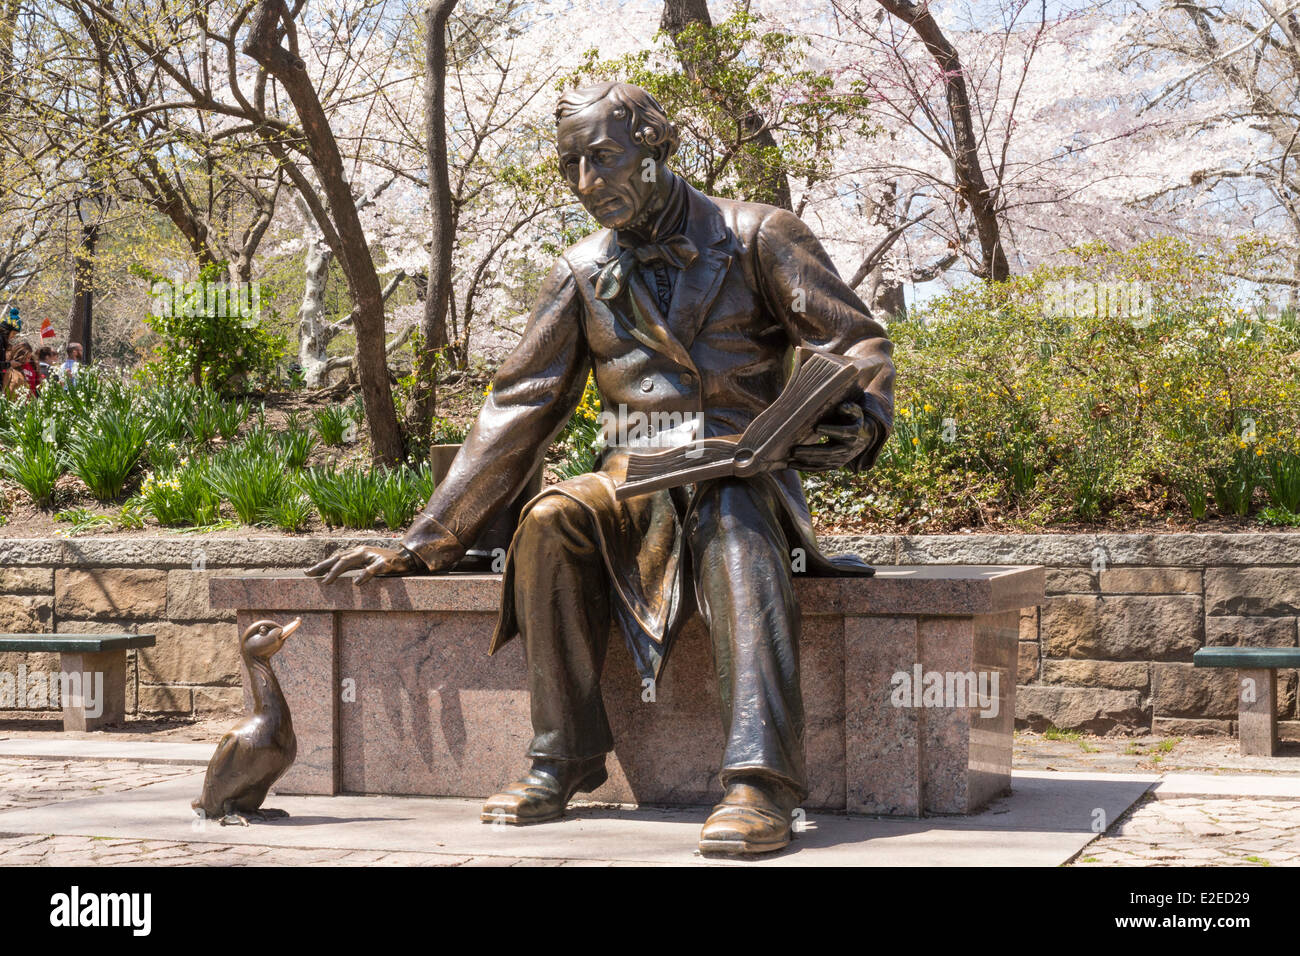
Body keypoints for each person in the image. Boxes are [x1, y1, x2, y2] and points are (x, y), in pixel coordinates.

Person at [307, 82, 894, 856]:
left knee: (735, 526)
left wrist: (857, 419)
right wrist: (424, 542)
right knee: (548, 519)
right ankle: (566, 754)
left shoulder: (760, 235)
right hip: (633, 475)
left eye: (604, 159)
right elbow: (519, 405)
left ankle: (760, 783)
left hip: (740, 468)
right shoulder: (582, 269)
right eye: (570, 166)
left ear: (657, 148)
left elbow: (857, 345)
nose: (587, 184)